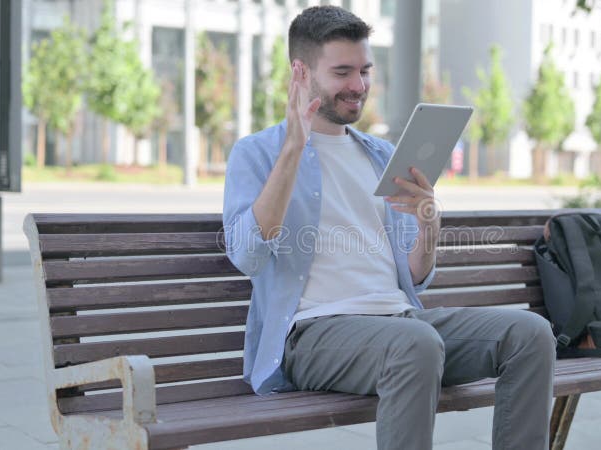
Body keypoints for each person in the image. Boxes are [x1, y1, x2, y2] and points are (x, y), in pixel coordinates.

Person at [223, 6, 555, 450]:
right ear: (300, 72)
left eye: (365, 70)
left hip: (400, 320)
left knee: (530, 335)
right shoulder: (257, 153)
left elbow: (414, 276)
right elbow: (246, 255)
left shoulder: (382, 155)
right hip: (311, 334)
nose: (358, 86)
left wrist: (429, 222)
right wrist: (293, 148)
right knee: (414, 344)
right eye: (342, 71)